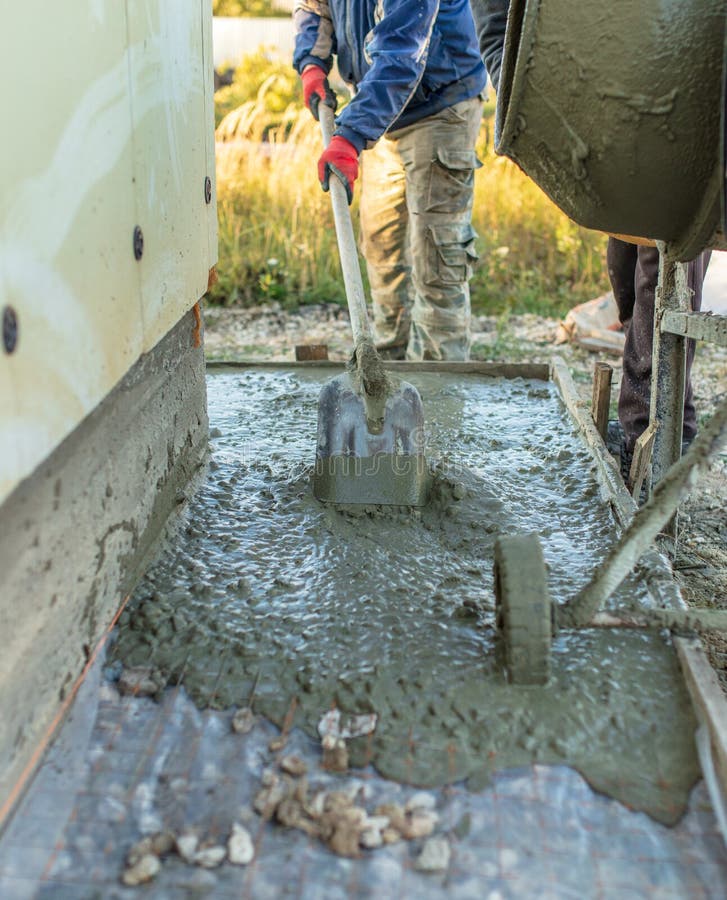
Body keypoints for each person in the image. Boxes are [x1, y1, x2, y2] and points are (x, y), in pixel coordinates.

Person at [470, 0, 711, 486]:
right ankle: (669, 415)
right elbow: (499, 34)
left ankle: (651, 438)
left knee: (660, 272)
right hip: (619, 105)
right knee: (624, 268)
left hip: (684, 105)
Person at [293, 0, 488, 361]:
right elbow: (315, 7)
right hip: (382, 108)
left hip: (439, 104)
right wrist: (311, 61)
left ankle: (436, 385)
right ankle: (386, 368)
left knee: (436, 257)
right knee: (382, 246)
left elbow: (402, 50)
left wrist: (350, 136)